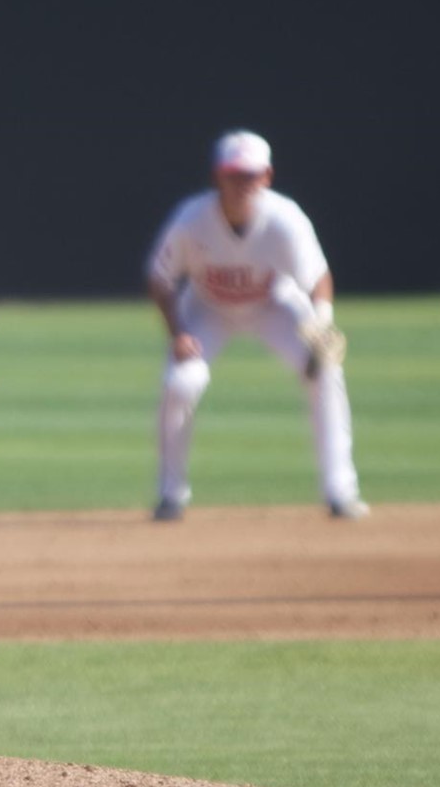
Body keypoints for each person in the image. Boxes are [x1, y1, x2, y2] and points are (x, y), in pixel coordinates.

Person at [146, 129, 367, 522]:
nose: (242, 184)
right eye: (234, 175)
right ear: (218, 177)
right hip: (206, 307)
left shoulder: (285, 219)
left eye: (251, 176)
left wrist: (321, 325)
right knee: (181, 382)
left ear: (267, 176)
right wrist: (177, 333)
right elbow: (160, 278)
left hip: (273, 304)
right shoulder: (191, 220)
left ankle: (340, 491)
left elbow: (318, 278)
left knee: (326, 371)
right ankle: (171, 494)